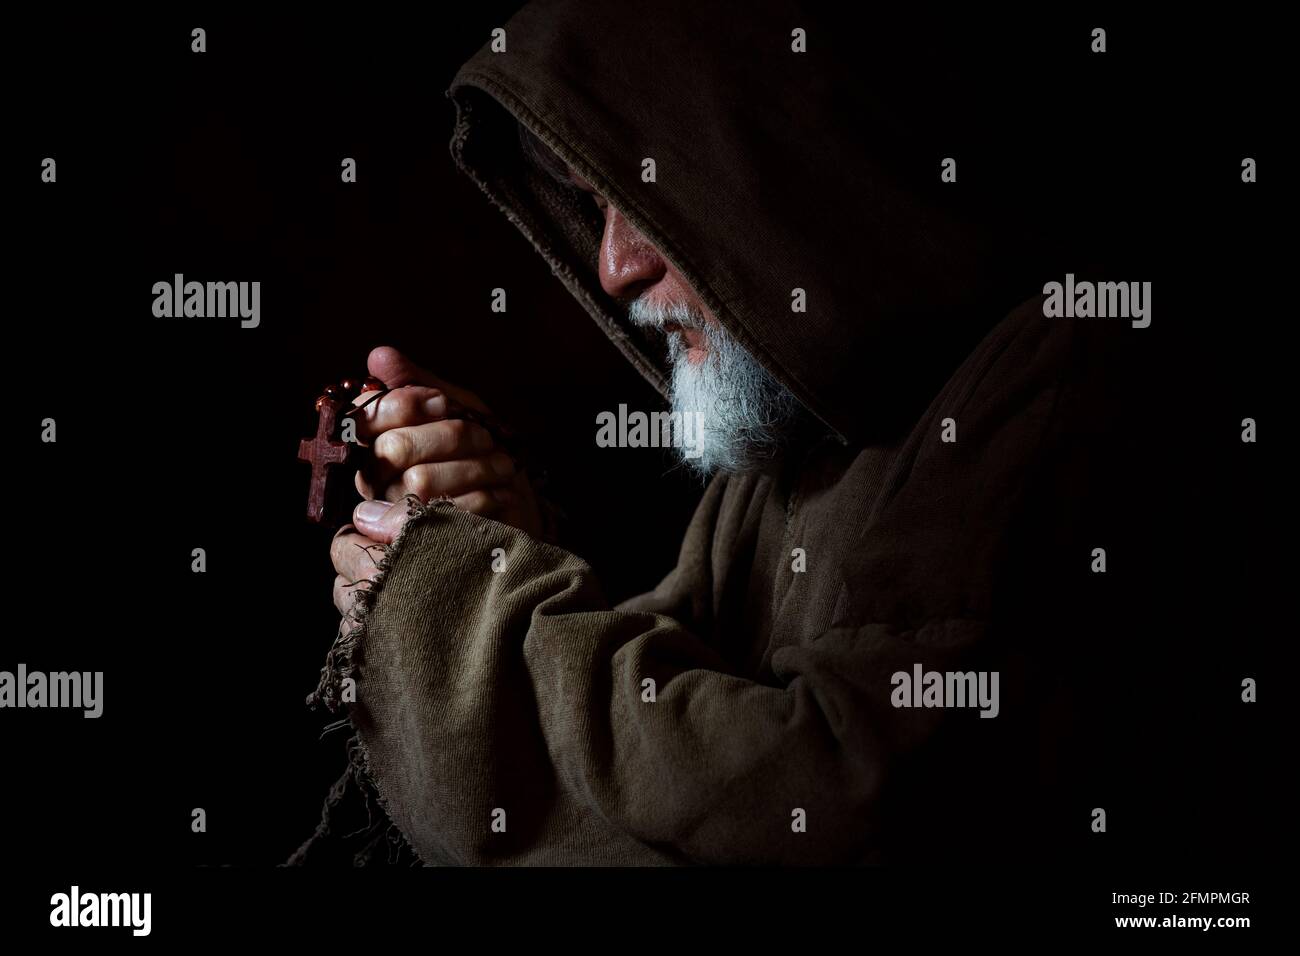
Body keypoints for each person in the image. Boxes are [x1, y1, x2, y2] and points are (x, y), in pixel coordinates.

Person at [289, 0, 1140, 865]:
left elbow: (841, 809)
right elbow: (647, 741)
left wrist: (484, 605)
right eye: (593, 204)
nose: (615, 268)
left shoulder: (1062, 361)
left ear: (778, 160)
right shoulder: (789, 442)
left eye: (642, 195)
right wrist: (491, 542)